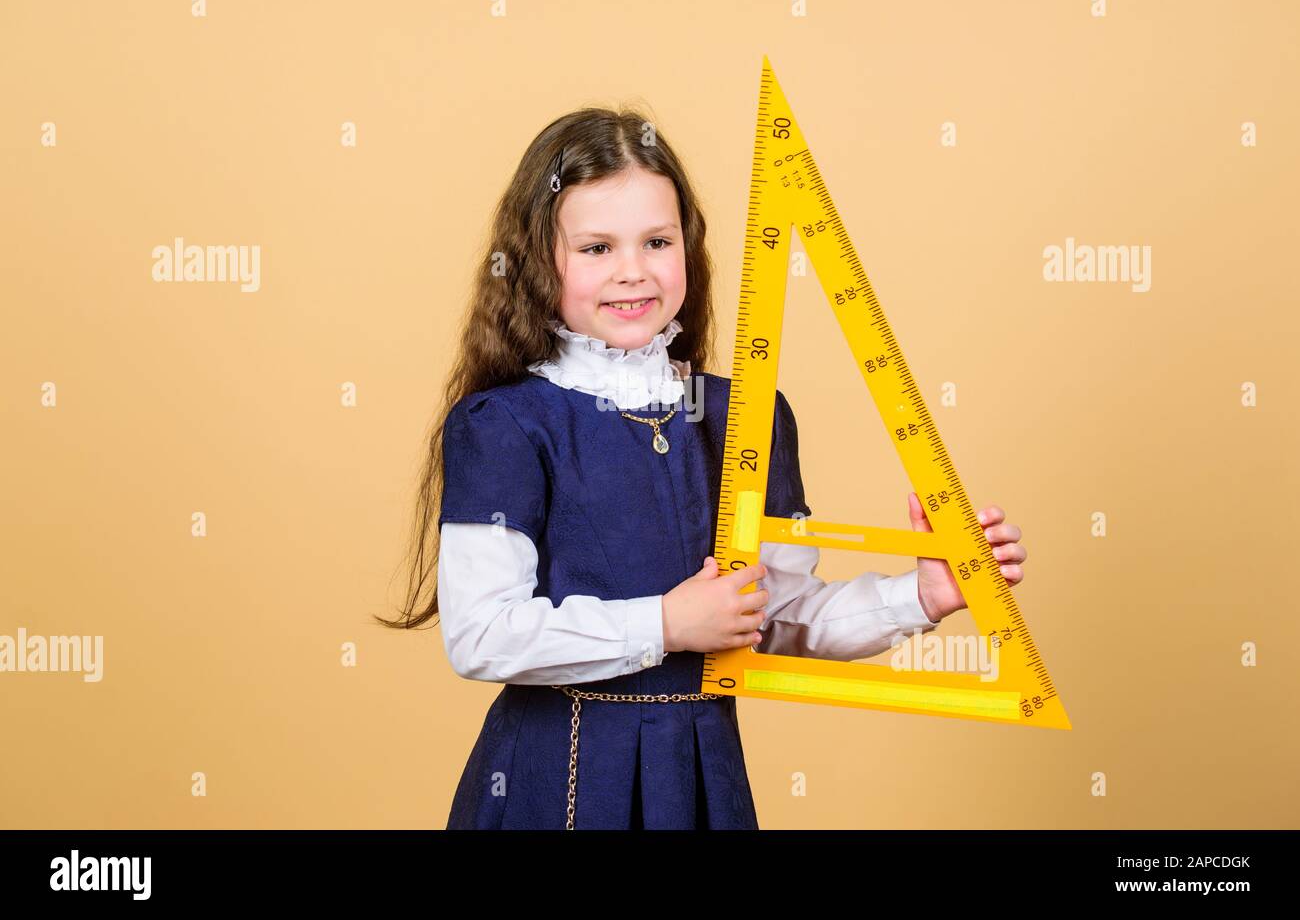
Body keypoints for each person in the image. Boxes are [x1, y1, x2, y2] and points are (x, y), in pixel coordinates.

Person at [377, 107, 1028, 829]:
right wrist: (668, 622)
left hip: (700, 785)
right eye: (596, 248)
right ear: (537, 261)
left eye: (657, 241)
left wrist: (922, 595)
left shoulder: (748, 419)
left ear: (688, 246)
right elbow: (482, 635)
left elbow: (779, 618)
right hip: (554, 787)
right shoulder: (503, 426)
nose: (633, 272)